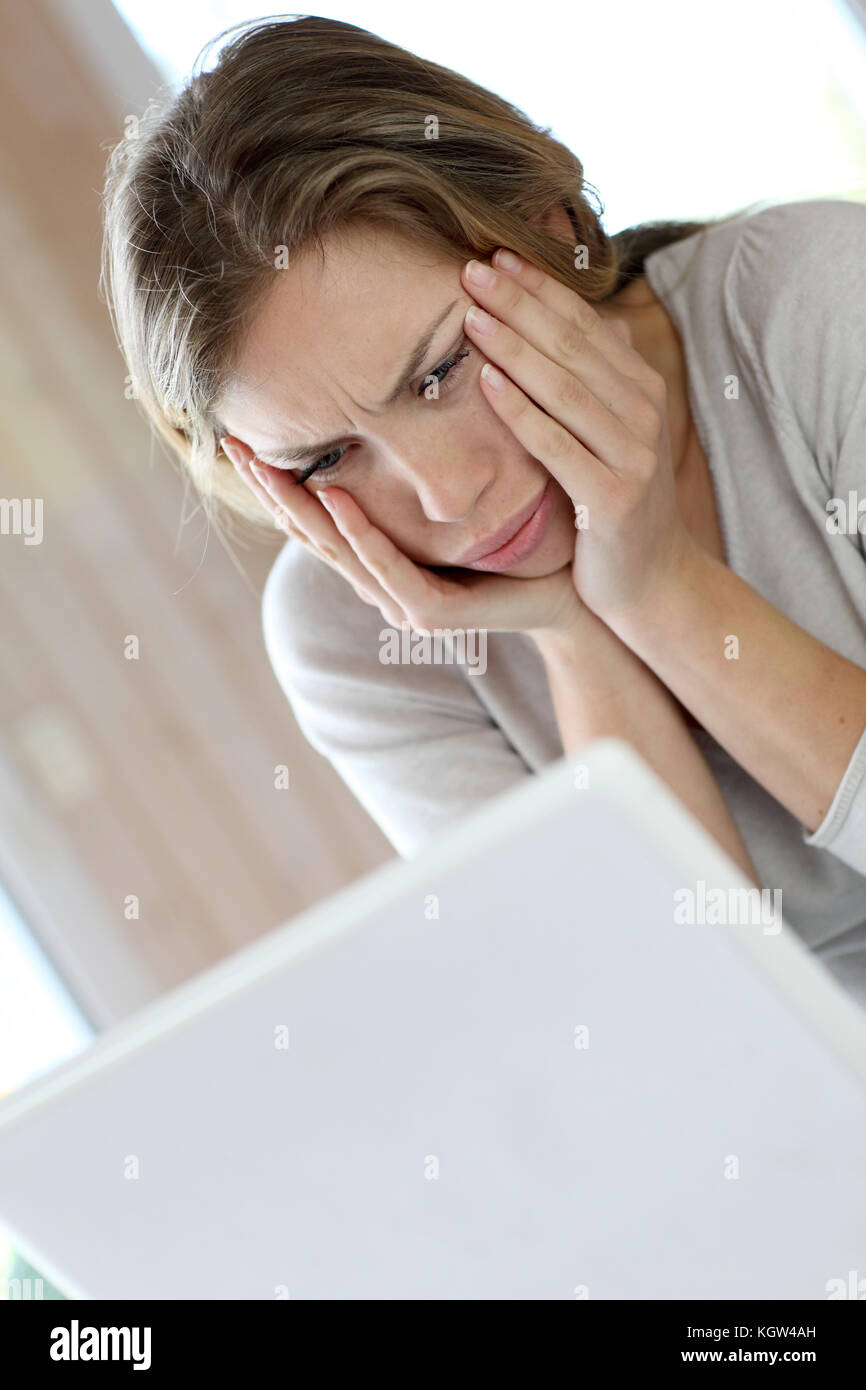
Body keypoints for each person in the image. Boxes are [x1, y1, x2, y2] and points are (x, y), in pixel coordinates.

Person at [101, 16, 866, 1006]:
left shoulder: (811, 307)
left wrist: (659, 586)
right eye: (328, 457)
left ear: (543, 231)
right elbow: (682, 1027)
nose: (445, 494)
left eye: (440, 369)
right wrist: (572, 628)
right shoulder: (351, 635)